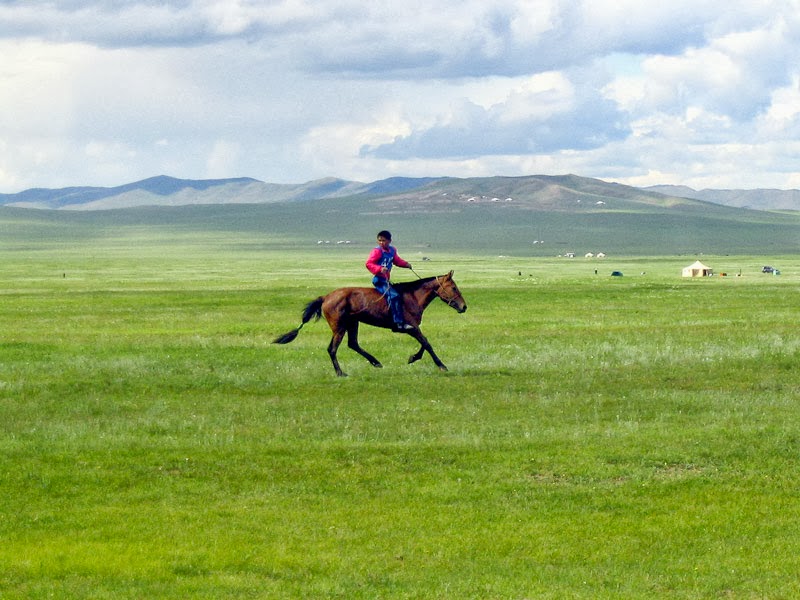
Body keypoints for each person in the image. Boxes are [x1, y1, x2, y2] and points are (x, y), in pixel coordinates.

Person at [365, 230, 414, 331]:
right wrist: (379, 269)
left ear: (389, 241)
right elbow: (369, 263)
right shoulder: (377, 251)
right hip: (379, 280)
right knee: (394, 296)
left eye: (384, 240)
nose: (381, 243)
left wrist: (406, 264)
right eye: (379, 240)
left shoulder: (392, 250)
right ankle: (399, 323)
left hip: (386, 280)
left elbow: (396, 260)